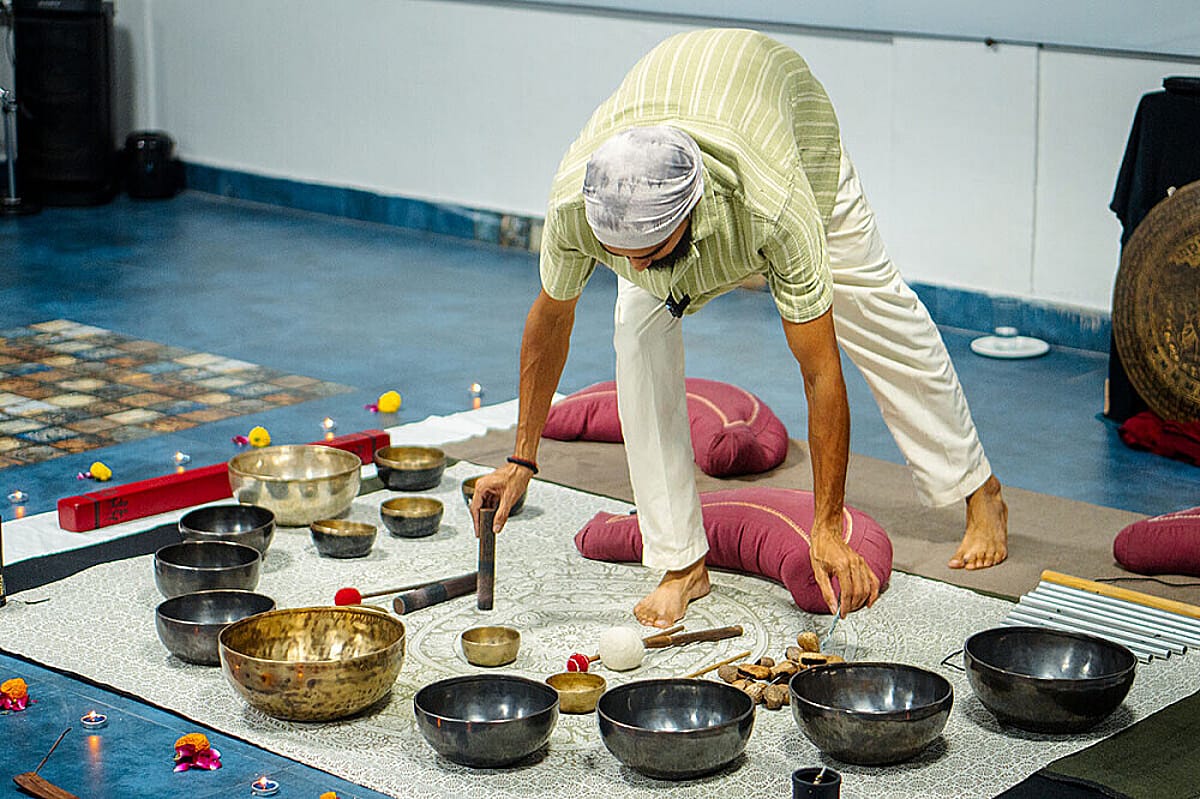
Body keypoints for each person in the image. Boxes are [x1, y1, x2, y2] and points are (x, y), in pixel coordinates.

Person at [469, 28, 1009, 628]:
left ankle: (978, 488)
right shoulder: (579, 206)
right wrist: (521, 458)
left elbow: (819, 372)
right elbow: (551, 320)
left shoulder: (773, 207)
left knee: (873, 307)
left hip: (792, 131)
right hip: (677, 101)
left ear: (690, 212)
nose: (635, 268)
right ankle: (681, 563)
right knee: (636, 331)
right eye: (620, 255)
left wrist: (826, 524)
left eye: (649, 253)